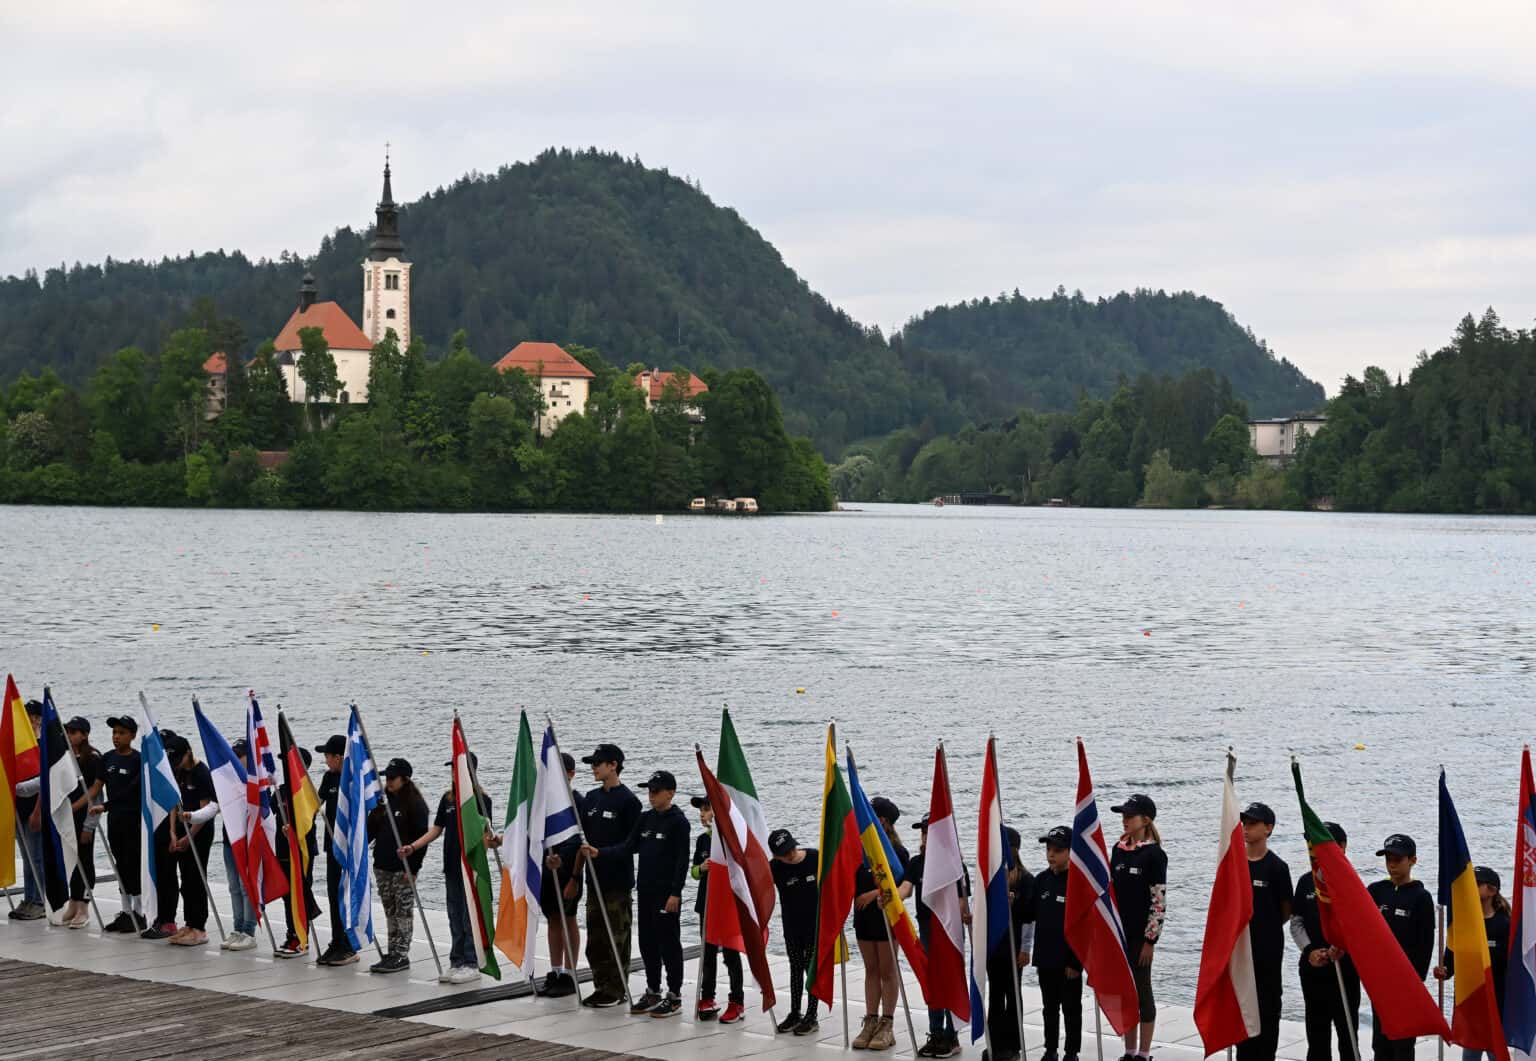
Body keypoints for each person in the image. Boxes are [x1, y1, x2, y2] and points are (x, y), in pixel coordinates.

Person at [583, 769, 689, 1018]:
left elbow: (682, 861)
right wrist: (600, 852)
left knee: (669, 943)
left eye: (656, 791)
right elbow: (628, 847)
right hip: (645, 890)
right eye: (649, 791)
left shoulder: (678, 822)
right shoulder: (645, 818)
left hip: (666, 894)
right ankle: (653, 989)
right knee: (647, 942)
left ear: (670, 793)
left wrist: (676, 893)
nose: (651, 796)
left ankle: (674, 995)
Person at [406, 751, 496, 984]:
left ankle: (471, 962)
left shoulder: (481, 800)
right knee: (454, 914)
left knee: (468, 916)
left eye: (457, 769)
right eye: (452, 769)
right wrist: (413, 847)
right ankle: (456, 961)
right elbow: (436, 829)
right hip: (451, 866)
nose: (453, 774)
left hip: (470, 867)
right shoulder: (447, 799)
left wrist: (483, 851)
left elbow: (486, 834)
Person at [572, 743, 642, 1008]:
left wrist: (602, 853)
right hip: (594, 881)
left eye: (598, 763)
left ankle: (616, 988)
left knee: (617, 937)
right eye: (592, 763)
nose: (593, 768)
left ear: (613, 765)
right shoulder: (591, 798)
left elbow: (632, 845)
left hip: (617, 882)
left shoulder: (628, 801)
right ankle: (601, 985)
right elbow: (582, 839)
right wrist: (575, 874)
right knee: (596, 940)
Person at [899, 813, 970, 1059]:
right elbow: (906, 889)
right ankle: (935, 1033)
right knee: (932, 980)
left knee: (948, 979)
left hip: (948, 929)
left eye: (930, 832)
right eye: (923, 832)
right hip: (927, 927)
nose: (926, 837)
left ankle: (952, 1036)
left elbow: (962, 902)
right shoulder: (917, 863)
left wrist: (956, 918)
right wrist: (891, 895)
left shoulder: (955, 865)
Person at [1289, 821, 1360, 1061]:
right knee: (1317, 1036)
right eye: (1313, 845)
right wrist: (1309, 950)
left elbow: (1360, 927)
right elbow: (1296, 921)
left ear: (1342, 846)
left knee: (1348, 1036)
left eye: (1323, 845)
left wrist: (1341, 948)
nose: (1316, 850)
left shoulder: (1354, 883)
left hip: (1344, 969)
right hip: (1313, 969)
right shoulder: (1305, 881)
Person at [1366, 834, 1434, 1061]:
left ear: (1412, 860)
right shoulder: (1376, 890)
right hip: (1380, 980)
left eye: (1397, 859)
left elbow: (1425, 943)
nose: (1392, 864)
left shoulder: (1420, 897)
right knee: (1380, 1042)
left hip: (1406, 982)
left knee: (1403, 1044)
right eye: (1388, 859)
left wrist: (1416, 978)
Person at [1109, 793, 1166, 1061]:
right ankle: (1129, 1050)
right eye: (1123, 815)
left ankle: (1144, 1052)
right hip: (1118, 935)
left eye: (1129, 816)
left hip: (1139, 937)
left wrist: (1149, 941)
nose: (1124, 820)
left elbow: (1158, 900)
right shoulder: (1117, 849)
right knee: (1124, 992)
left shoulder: (1154, 854)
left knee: (1142, 991)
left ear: (1145, 820)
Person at [1434, 866, 1511, 1061]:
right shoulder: (1462, 923)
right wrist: (1443, 970)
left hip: (1497, 1003)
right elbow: (1450, 962)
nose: (1469, 889)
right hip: (1470, 1002)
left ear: (1492, 891)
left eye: (1475, 885)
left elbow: (1509, 965)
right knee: (1470, 1055)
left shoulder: (1505, 925)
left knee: (1496, 1054)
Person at [1236, 802, 1292, 1061]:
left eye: (1253, 824)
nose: (1246, 828)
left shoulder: (1277, 867)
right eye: (1244, 823)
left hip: (1267, 953)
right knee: (1242, 1013)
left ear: (1268, 828)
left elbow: (1285, 910)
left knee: (1268, 1011)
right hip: (1240, 952)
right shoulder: (1234, 865)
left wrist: (1265, 929)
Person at [852, 795, 908, 1052]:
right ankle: (870, 1019)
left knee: (887, 970)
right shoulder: (859, 850)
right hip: (864, 918)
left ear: (882, 821)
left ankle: (887, 1023)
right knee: (871, 969)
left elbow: (899, 886)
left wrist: (873, 894)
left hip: (887, 917)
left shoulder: (897, 852)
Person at [153, 732, 215, 946]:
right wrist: (172, 832)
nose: (176, 764)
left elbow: (205, 810)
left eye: (178, 759)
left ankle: (199, 927)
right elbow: (174, 803)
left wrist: (189, 837)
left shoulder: (201, 773)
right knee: (184, 880)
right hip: (180, 828)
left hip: (198, 830)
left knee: (195, 878)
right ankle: (188, 924)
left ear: (188, 753)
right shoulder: (177, 772)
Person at [370, 757, 431, 974]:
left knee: (403, 911)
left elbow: (422, 839)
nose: (388, 781)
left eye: (393, 777)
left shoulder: (415, 805)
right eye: (386, 777)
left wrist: (413, 869)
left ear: (405, 779)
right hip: (382, 865)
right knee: (390, 910)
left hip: (402, 867)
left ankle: (402, 954)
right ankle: (391, 951)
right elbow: (370, 831)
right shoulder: (382, 802)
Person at [691, 793, 745, 1024]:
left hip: (728, 905)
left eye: (705, 809)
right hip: (707, 903)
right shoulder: (703, 840)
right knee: (708, 954)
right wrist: (701, 868)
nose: (702, 814)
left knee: (731, 954)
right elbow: (693, 872)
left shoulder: (729, 840)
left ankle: (737, 1001)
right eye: (700, 810)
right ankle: (708, 997)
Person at [89, 714, 143, 932]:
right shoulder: (108, 758)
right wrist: (78, 805)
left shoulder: (138, 760)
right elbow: (96, 787)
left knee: (133, 863)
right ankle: (125, 911)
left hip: (133, 819)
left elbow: (133, 792)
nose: (116, 737)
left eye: (121, 733)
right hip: (115, 820)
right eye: (114, 733)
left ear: (132, 735)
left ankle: (139, 912)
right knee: (120, 863)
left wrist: (106, 806)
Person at [987, 825, 1034, 1061]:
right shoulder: (992, 879)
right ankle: (994, 1043)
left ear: (1014, 850)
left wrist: (1026, 949)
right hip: (994, 947)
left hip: (1014, 947)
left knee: (1012, 995)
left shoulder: (1026, 880)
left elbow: (1029, 918)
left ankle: (1013, 1045)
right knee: (995, 995)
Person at [537, 751, 583, 997]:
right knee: (553, 918)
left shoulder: (577, 802)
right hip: (546, 869)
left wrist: (573, 875)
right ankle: (555, 970)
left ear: (570, 774)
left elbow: (579, 841)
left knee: (568, 918)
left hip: (568, 871)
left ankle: (570, 973)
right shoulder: (542, 805)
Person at [769, 828, 822, 1036]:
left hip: (813, 925)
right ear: (776, 855)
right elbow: (757, 884)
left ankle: (812, 1015)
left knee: (811, 968)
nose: (790, 855)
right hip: (791, 925)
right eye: (784, 853)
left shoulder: (814, 857)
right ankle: (795, 1012)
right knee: (795, 968)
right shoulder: (775, 867)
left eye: (791, 849)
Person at [313, 734, 356, 967]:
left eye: (327, 756)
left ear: (339, 757)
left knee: (345, 896)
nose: (325, 760)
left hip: (348, 849)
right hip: (332, 846)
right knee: (332, 895)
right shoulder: (329, 778)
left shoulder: (351, 780)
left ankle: (348, 945)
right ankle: (336, 940)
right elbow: (315, 804)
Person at [275, 746, 321, 959]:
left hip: (302, 850)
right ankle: (291, 932)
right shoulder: (281, 790)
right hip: (282, 848)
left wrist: (294, 831)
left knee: (300, 891)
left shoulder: (306, 790)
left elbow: (308, 819)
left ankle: (301, 937)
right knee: (287, 894)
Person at [220, 737, 259, 952]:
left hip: (247, 841)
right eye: (233, 755)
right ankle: (237, 928)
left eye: (240, 755)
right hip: (229, 839)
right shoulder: (227, 782)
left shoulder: (255, 783)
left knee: (246, 887)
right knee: (234, 886)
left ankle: (248, 930)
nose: (235, 759)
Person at [7, 700, 46, 921]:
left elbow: (45, 780)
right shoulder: (18, 746)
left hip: (33, 808)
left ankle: (40, 900)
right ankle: (29, 897)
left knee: (37, 858)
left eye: (34, 716)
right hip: (18, 809)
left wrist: (37, 812)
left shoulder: (42, 745)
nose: (30, 720)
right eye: (27, 716)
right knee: (27, 856)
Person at [63, 716, 101, 928]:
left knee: (85, 860)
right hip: (68, 817)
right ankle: (73, 900)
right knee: (71, 858)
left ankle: (84, 906)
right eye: (68, 731)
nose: (70, 735)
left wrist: (89, 825)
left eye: (74, 732)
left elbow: (96, 794)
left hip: (85, 816)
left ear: (85, 734)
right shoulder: (66, 757)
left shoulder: (93, 758)